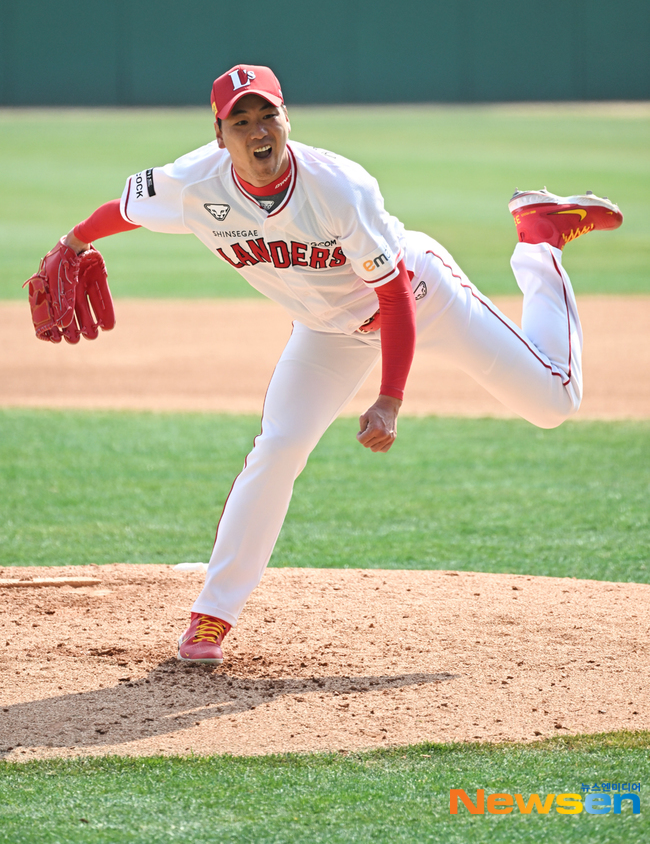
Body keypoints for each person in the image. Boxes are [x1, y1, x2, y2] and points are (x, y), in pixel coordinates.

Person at [33, 64, 623, 665]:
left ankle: (540, 241)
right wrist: (73, 242)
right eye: (241, 121)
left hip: (422, 299)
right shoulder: (192, 183)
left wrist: (390, 399)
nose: (258, 130)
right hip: (326, 332)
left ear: (287, 119)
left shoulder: (339, 187)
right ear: (219, 135)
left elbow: (393, 295)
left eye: (268, 114)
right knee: (279, 446)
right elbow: (125, 209)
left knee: (553, 402)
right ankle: (212, 616)